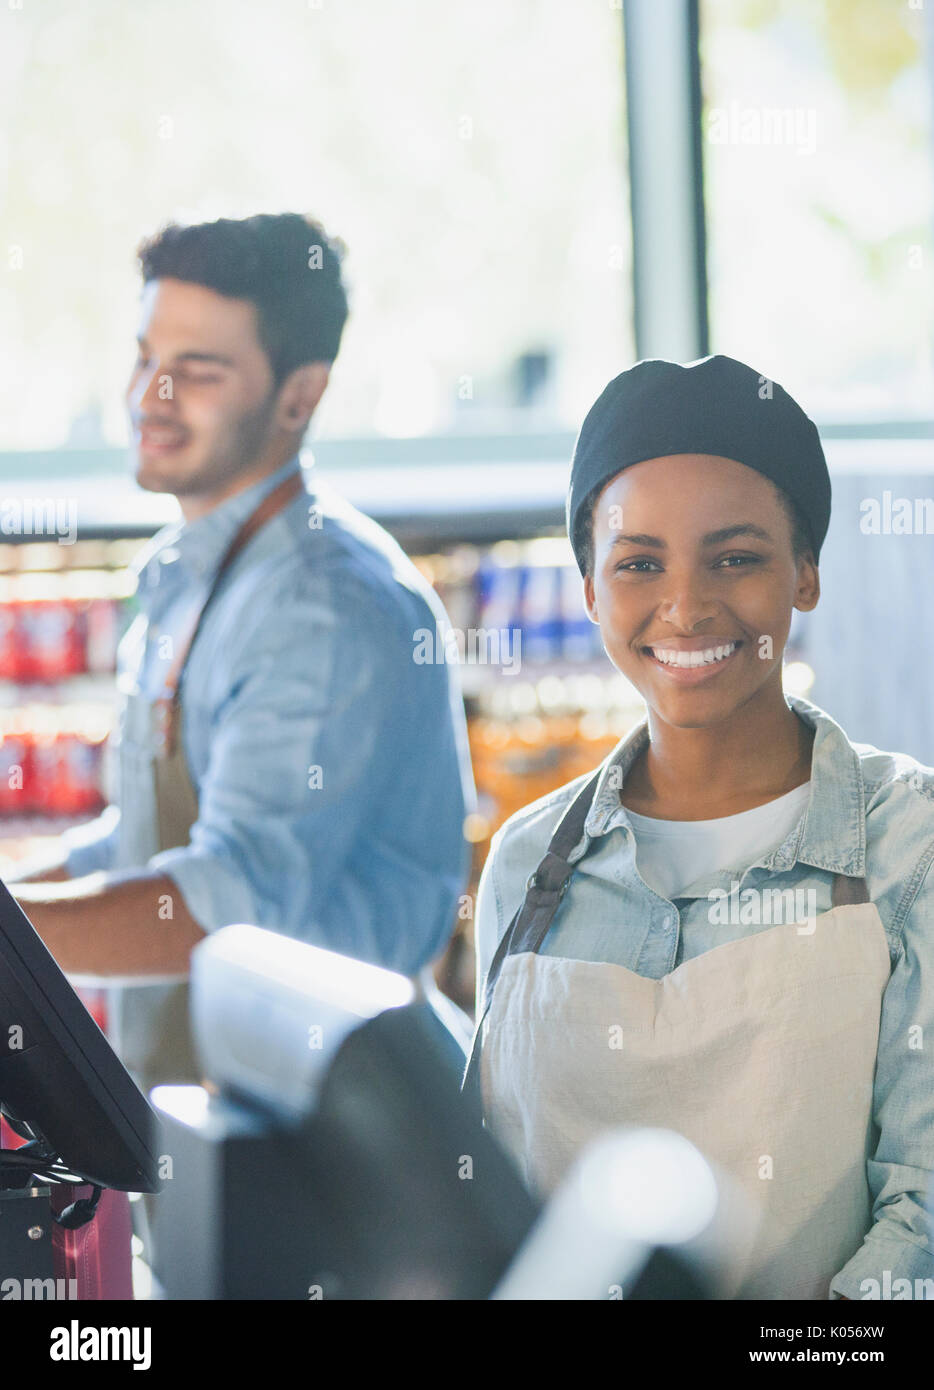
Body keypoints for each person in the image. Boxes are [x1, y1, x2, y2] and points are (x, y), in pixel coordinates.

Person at [465, 354, 934, 1300]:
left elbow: (924, 1214)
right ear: (590, 588)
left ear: (804, 573)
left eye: (737, 557)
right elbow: (492, 1195)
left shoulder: (909, 844)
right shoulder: (527, 864)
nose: (686, 606)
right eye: (639, 563)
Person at [12, 212, 475, 1099]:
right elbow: (147, 842)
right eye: (146, 357)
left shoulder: (319, 606)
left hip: (328, 1144)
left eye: (197, 372)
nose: (151, 396)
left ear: (300, 396)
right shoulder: (201, 573)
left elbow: (232, 896)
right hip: (207, 1108)